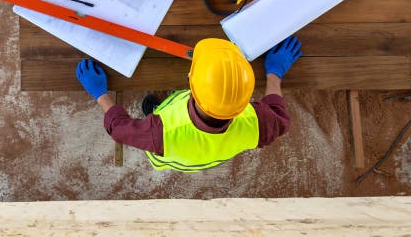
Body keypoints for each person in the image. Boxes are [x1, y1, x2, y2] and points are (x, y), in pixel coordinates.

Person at [75, 36, 302, 172]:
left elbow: (119, 129)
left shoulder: (159, 133)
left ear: (191, 82)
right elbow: (278, 115)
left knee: (156, 112)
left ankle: (154, 110)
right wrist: (275, 73)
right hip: (213, 153)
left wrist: (100, 93)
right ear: (247, 102)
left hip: (173, 153)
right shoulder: (258, 122)